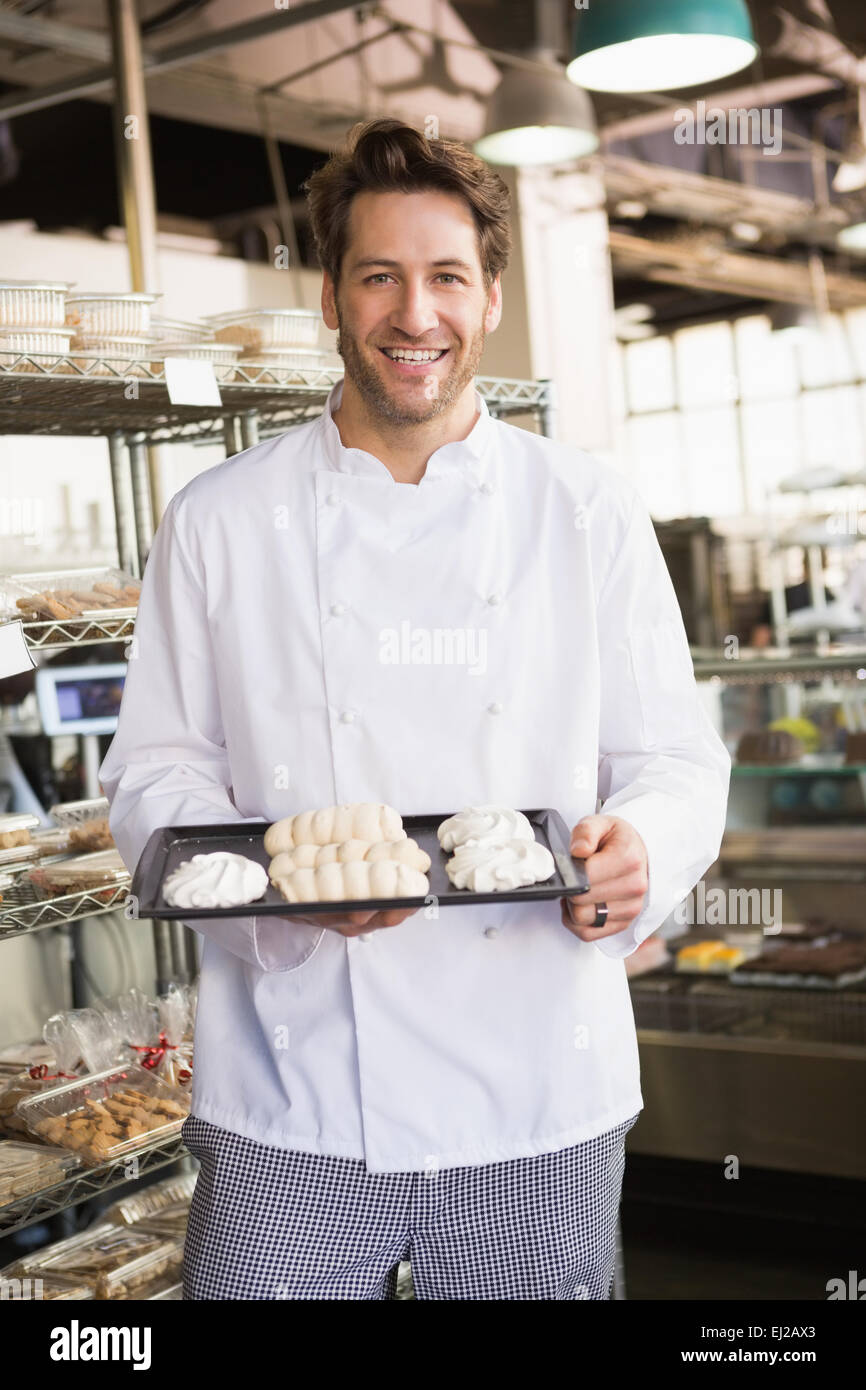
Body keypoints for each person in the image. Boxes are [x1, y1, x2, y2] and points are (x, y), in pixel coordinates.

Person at [99, 118, 730, 1301]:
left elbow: (673, 757)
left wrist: (638, 847)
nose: (413, 313)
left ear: (489, 298)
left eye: (445, 276)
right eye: (378, 276)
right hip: (290, 1085)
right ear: (331, 296)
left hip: (535, 1090)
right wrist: (278, 897)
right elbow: (154, 772)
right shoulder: (219, 520)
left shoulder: (584, 508)